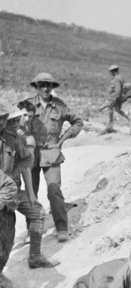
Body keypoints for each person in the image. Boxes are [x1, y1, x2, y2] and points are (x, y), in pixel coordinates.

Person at [24, 72, 84, 243]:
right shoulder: (27, 105)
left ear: (52, 87)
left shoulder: (60, 106)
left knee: (54, 192)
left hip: (52, 152)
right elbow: (12, 122)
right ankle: (32, 230)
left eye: (48, 85)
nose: (44, 88)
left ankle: (62, 228)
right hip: (31, 154)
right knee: (31, 193)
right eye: (41, 85)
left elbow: (78, 122)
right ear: (36, 87)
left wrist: (63, 139)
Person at [2, 103, 58, 273]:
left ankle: (34, 256)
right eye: (14, 120)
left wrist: (30, 193)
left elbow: (27, 162)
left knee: (38, 213)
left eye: (18, 120)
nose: (17, 123)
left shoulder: (14, 139)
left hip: (12, 190)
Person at [0, 100, 19, 288]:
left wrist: (13, 176)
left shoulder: (12, 139)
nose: (1, 121)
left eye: (4, 118)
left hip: (6, 200)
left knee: (6, 241)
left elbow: (27, 158)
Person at [99, 65, 131, 135]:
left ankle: (110, 126)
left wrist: (113, 100)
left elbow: (118, 90)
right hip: (118, 97)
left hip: (116, 97)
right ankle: (129, 120)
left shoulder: (116, 79)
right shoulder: (119, 77)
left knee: (109, 108)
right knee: (118, 110)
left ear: (113, 71)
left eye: (111, 72)